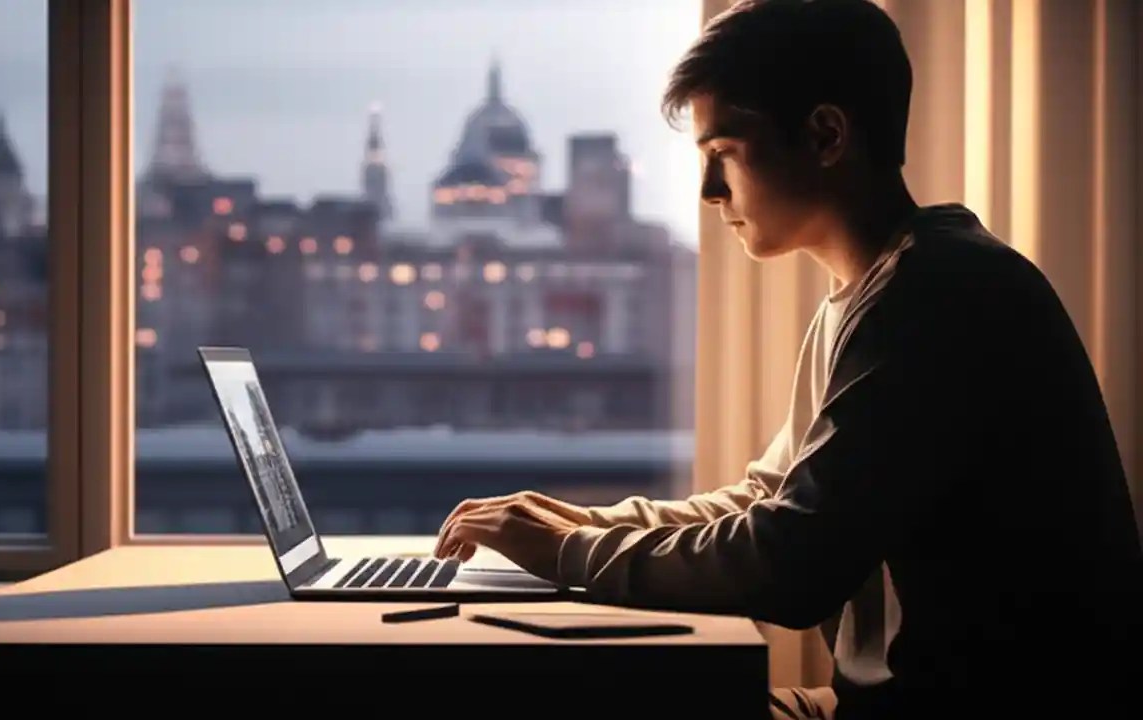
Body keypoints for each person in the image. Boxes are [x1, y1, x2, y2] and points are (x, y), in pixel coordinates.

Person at [433, 0, 1143, 717]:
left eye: (723, 155)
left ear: (827, 135)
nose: (710, 194)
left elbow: (791, 563)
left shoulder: (934, 297)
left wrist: (567, 553)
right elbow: (771, 500)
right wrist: (589, 526)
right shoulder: (874, 291)